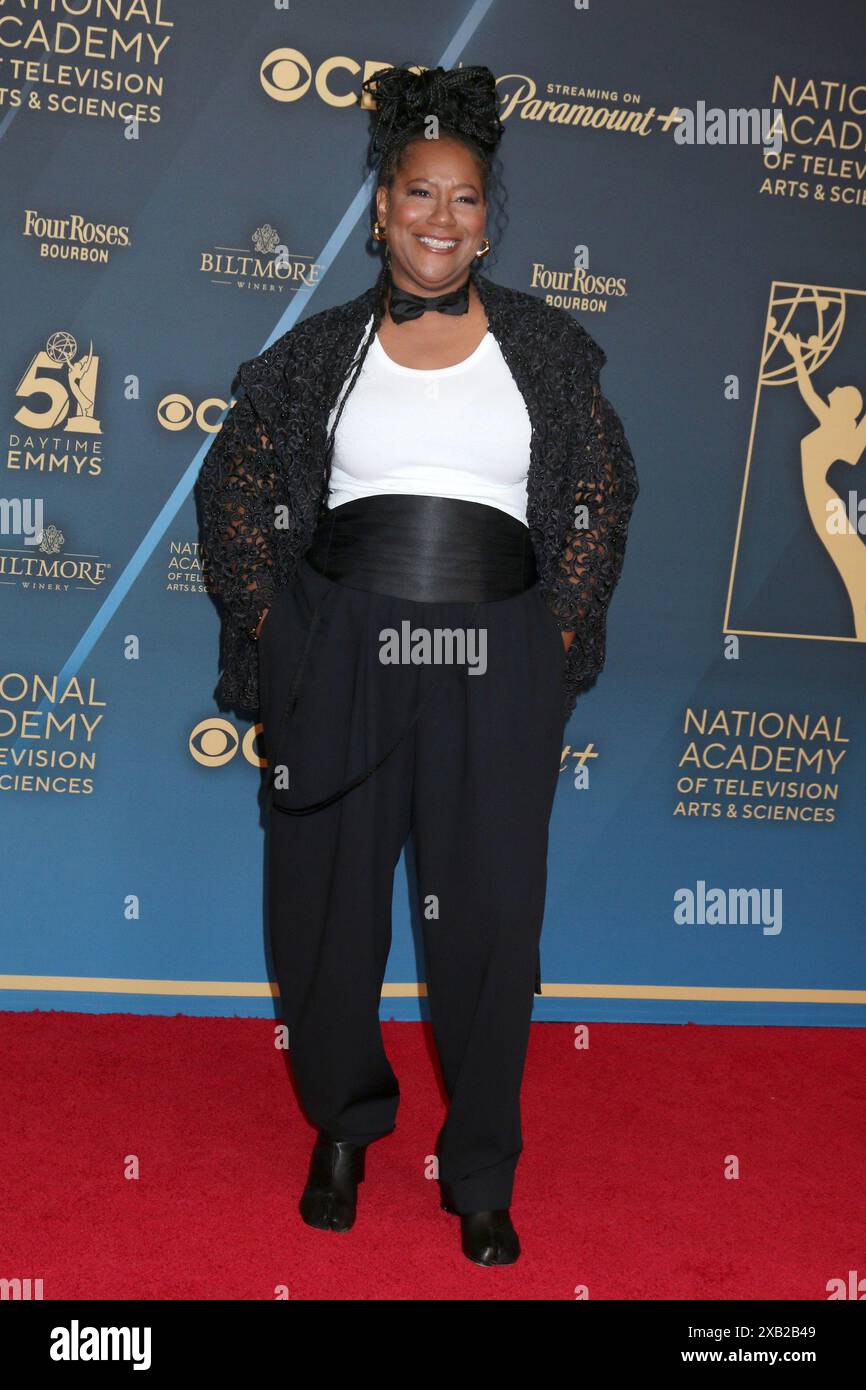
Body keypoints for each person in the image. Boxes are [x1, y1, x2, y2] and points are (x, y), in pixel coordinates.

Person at [195, 62, 639, 1266]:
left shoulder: (544, 351)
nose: (440, 220)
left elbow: (600, 487)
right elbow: (233, 489)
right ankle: (343, 1122)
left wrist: (552, 636)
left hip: (493, 654)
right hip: (343, 646)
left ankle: (480, 1169)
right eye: (417, 194)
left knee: (488, 924)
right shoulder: (317, 355)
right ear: (381, 205)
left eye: (464, 200)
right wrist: (279, 635)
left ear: (486, 217)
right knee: (326, 915)